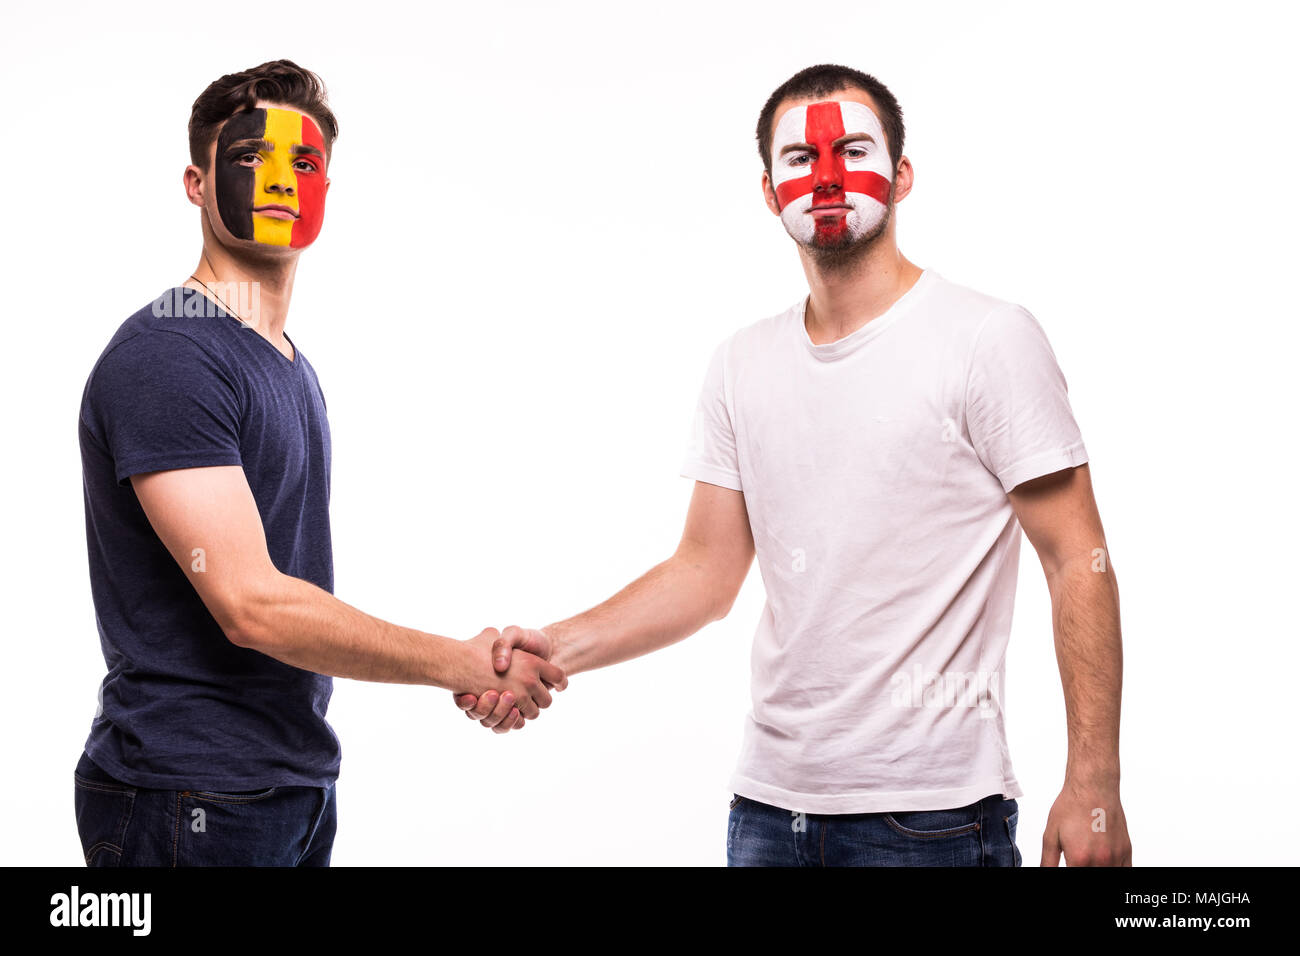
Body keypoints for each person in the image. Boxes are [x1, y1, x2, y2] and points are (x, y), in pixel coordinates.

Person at [456, 63, 1132, 867]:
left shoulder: (987, 339)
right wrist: (546, 652)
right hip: (769, 817)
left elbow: (1076, 560)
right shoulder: (742, 363)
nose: (830, 174)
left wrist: (1093, 781)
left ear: (903, 174)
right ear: (772, 193)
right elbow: (705, 574)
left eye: (853, 148)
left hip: (930, 823)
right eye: (803, 160)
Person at [73, 59, 563, 867]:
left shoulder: (281, 359)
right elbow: (252, 605)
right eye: (248, 158)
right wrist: (462, 663)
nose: (278, 179)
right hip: (186, 794)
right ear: (195, 184)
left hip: (283, 783)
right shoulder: (169, 356)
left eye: (302, 163)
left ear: (327, 188)